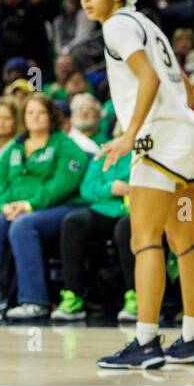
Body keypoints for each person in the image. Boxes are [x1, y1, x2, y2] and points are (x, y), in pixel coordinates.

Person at [79, 0, 194, 368]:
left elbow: (150, 78)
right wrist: (177, 125)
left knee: (144, 240)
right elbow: (186, 86)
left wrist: (129, 135)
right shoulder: (148, 25)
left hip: (159, 143)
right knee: (184, 240)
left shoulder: (118, 26)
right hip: (189, 138)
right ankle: (193, 338)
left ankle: (145, 342)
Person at [0, 93, 88, 321]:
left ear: (51, 116)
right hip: (16, 210)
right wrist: (4, 206)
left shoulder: (65, 146)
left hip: (59, 209)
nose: (35, 117)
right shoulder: (14, 148)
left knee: (23, 225)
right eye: (30, 112)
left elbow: (63, 184)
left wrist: (28, 205)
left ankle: (34, 300)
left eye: (41, 112)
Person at [51, 129, 135, 323]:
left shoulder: (149, 151)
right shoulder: (106, 150)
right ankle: (73, 297)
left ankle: (136, 297)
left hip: (137, 211)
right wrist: (110, 188)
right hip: (107, 208)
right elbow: (87, 188)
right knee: (73, 223)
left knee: (125, 228)